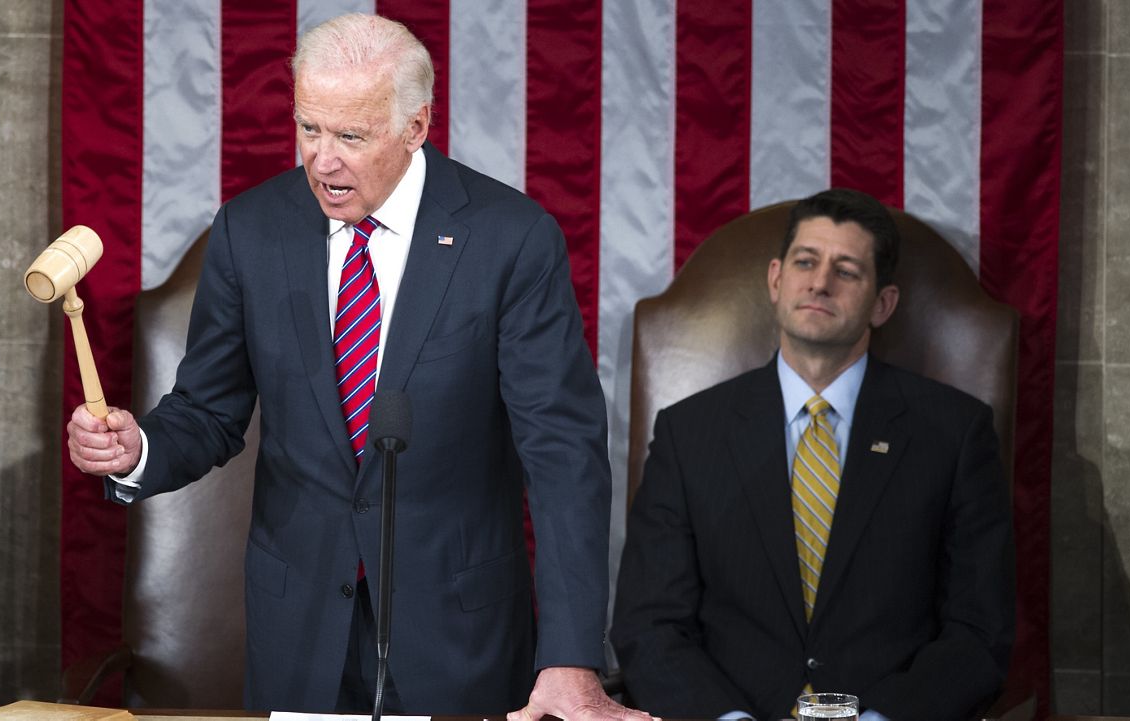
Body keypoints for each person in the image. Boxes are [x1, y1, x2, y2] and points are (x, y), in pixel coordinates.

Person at [67, 14, 650, 721]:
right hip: (301, 632)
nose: (322, 160)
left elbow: (564, 455)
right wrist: (139, 448)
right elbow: (208, 409)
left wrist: (570, 656)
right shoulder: (251, 230)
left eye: (351, 136)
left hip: (460, 636)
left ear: (415, 126)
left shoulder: (509, 239)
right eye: (309, 128)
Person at [609, 189, 1015, 721]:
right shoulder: (689, 434)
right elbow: (648, 624)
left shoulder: (955, 432)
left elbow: (979, 631)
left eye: (846, 271)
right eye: (806, 262)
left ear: (882, 303)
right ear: (776, 280)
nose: (820, 282)